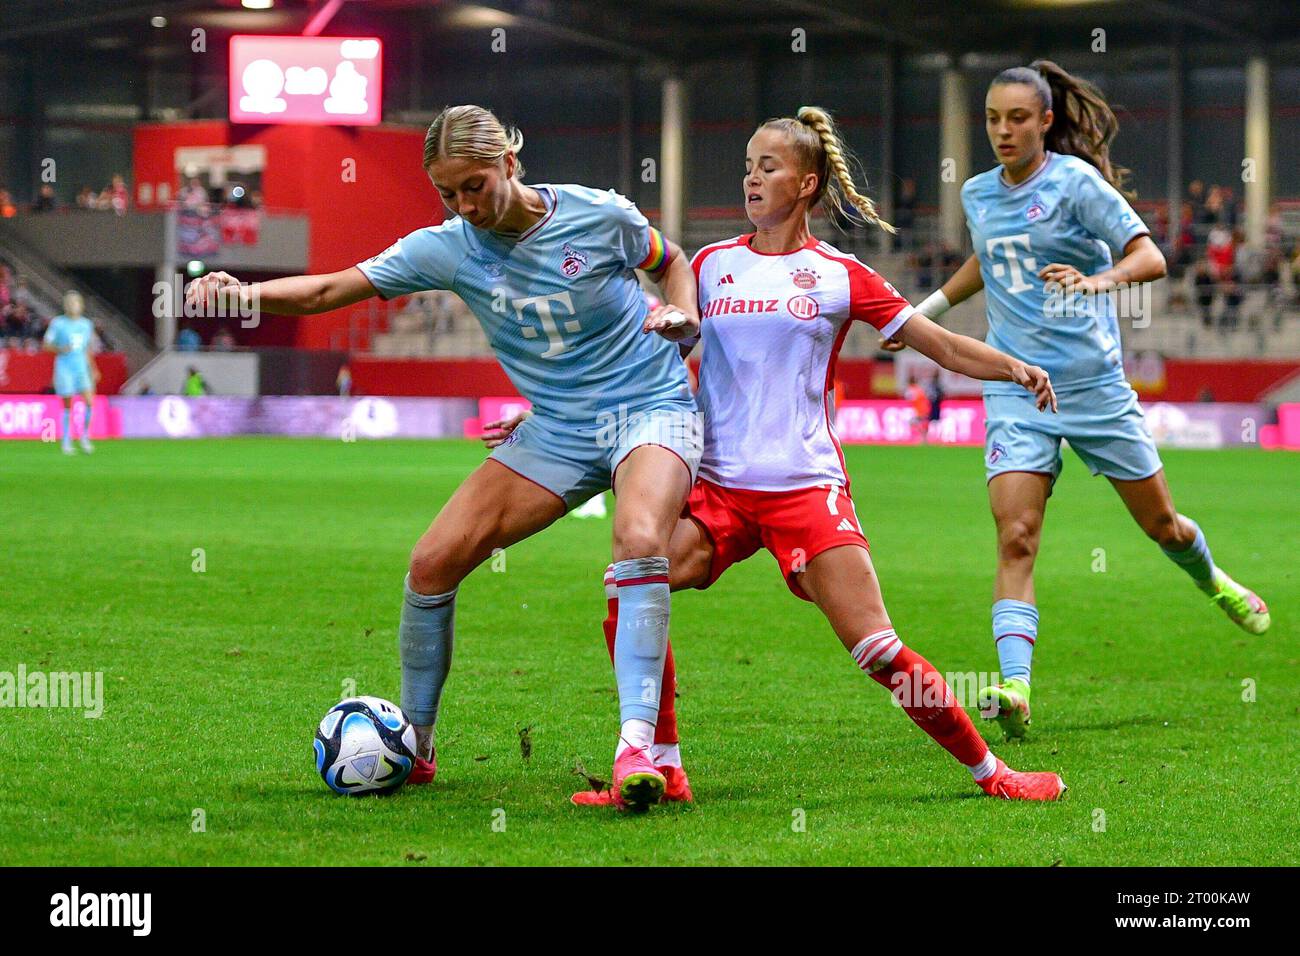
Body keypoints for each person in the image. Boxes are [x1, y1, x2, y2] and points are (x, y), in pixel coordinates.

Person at [499, 106, 1065, 806]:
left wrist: (1015, 368)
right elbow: (630, 358)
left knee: (878, 650)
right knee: (633, 579)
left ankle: (994, 775)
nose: (752, 179)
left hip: (805, 488)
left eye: (767, 167)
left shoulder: (839, 275)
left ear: (806, 183)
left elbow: (941, 345)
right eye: (746, 167)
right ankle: (660, 764)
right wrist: (544, 412)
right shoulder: (708, 267)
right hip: (718, 489)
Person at [186, 104, 703, 811]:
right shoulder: (448, 246)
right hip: (555, 428)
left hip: (650, 405)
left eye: (475, 186)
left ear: (510, 166)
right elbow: (332, 288)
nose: (465, 205)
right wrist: (242, 293)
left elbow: (672, 263)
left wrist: (683, 315)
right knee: (432, 562)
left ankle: (637, 751)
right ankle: (415, 747)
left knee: (640, 539)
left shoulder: (599, 214)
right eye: (447, 193)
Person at [888, 60, 1270, 740]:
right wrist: (922, 312)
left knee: (1163, 528)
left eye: (1015, 119)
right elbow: (986, 257)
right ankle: (1014, 687)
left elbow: (1148, 256)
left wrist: (1098, 281)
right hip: (1015, 386)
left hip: (1093, 386)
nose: (1002, 131)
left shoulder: (1075, 183)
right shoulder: (978, 193)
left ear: (1045, 122)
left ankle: (1211, 578)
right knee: (1016, 537)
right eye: (992, 119)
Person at [42, 291, 97, 454]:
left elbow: (87, 348)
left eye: (76, 303)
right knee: (67, 404)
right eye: (71, 303)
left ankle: (85, 436)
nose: (74, 306)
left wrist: (93, 368)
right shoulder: (58, 323)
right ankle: (66, 439)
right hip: (64, 368)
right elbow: (46, 345)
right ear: (66, 305)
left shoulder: (86, 325)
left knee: (89, 401)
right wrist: (60, 349)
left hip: (81, 367)